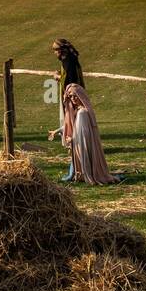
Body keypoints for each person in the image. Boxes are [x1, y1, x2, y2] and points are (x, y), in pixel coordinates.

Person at [61, 84, 118, 185]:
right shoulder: (79, 110)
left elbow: (82, 133)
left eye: (75, 96)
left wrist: (72, 139)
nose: (73, 99)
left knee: (85, 158)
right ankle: (81, 173)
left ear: (81, 96)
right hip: (79, 142)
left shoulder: (82, 113)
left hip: (83, 143)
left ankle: (85, 173)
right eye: (71, 96)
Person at [51, 38, 85, 180]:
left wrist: (57, 77)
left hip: (72, 103)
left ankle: (75, 170)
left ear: (61, 51)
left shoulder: (68, 62)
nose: (55, 54)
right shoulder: (71, 61)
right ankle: (75, 168)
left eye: (56, 51)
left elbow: (69, 83)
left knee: (73, 135)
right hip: (73, 101)